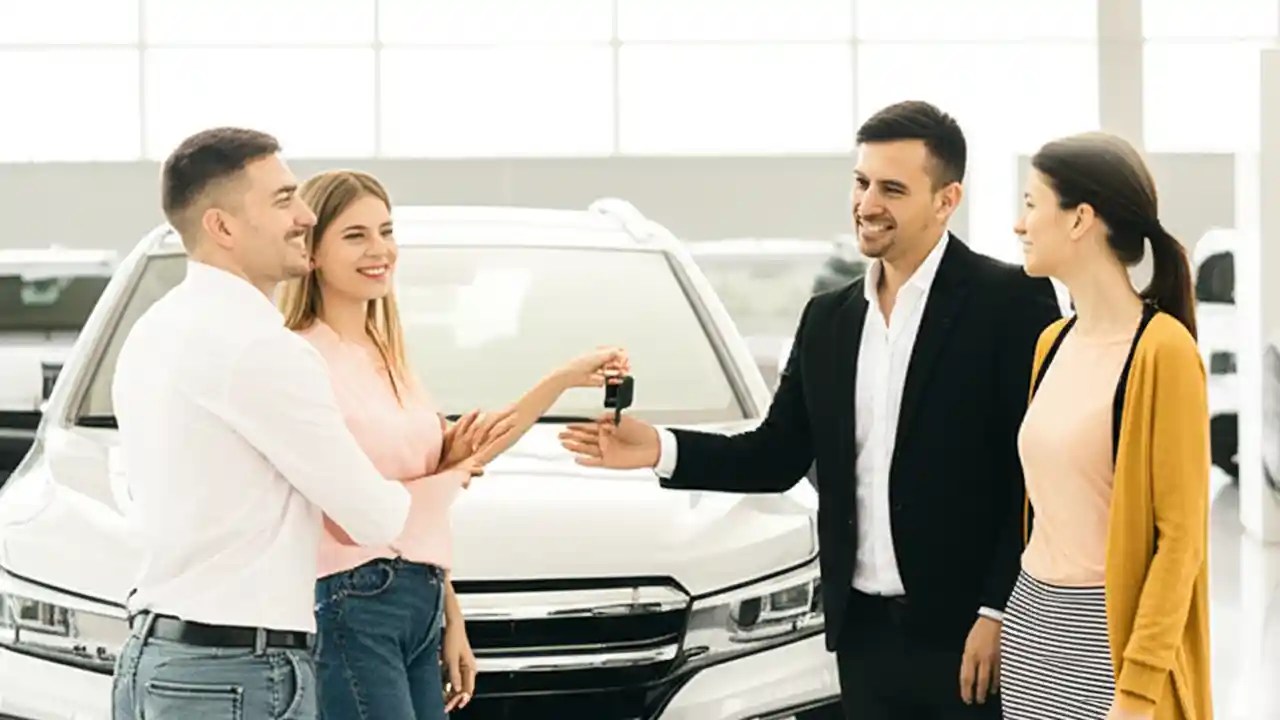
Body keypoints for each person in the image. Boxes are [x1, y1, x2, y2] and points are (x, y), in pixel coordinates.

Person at [559, 100, 1062, 719]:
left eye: (892, 189)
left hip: (971, 637)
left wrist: (997, 611)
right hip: (863, 638)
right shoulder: (829, 318)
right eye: (861, 182)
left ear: (945, 199)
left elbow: (1036, 476)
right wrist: (660, 448)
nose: (867, 203)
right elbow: (776, 453)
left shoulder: (1009, 302)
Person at [277, 169, 629, 718]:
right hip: (351, 602)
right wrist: (447, 476)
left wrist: (450, 615)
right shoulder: (300, 358)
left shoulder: (386, 358)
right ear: (313, 253)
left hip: (417, 601)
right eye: (356, 235)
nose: (380, 250)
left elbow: (468, 456)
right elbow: (370, 498)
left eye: (387, 231)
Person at [110, 128, 413, 719]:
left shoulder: (155, 328)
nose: (304, 216)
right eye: (282, 200)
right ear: (222, 227)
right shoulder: (259, 348)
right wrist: (437, 475)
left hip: (156, 663)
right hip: (236, 674)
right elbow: (373, 515)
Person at [1003, 131, 1212, 720]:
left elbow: (1181, 540)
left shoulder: (1162, 350)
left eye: (1030, 204)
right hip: (1032, 626)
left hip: (1109, 644)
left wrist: (1140, 689)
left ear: (1079, 219)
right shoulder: (1053, 342)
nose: (1020, 225)